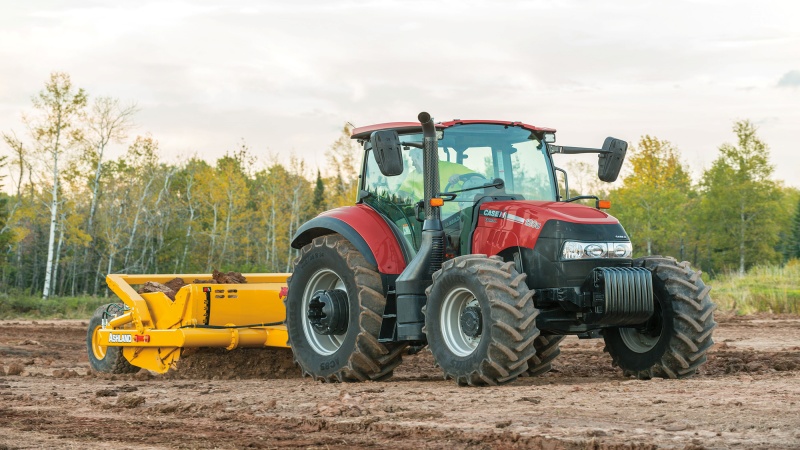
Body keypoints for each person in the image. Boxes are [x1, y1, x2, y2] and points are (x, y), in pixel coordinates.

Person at [397, 148, 473, 202]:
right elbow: (402, 193)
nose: (413, 164)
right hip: (422, 216)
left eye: (414, 161)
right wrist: (401, 198)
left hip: (454, 216)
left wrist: (459, 177)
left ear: (424, 158)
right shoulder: (413, 175)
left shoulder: (453, 168)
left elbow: (478, 180)